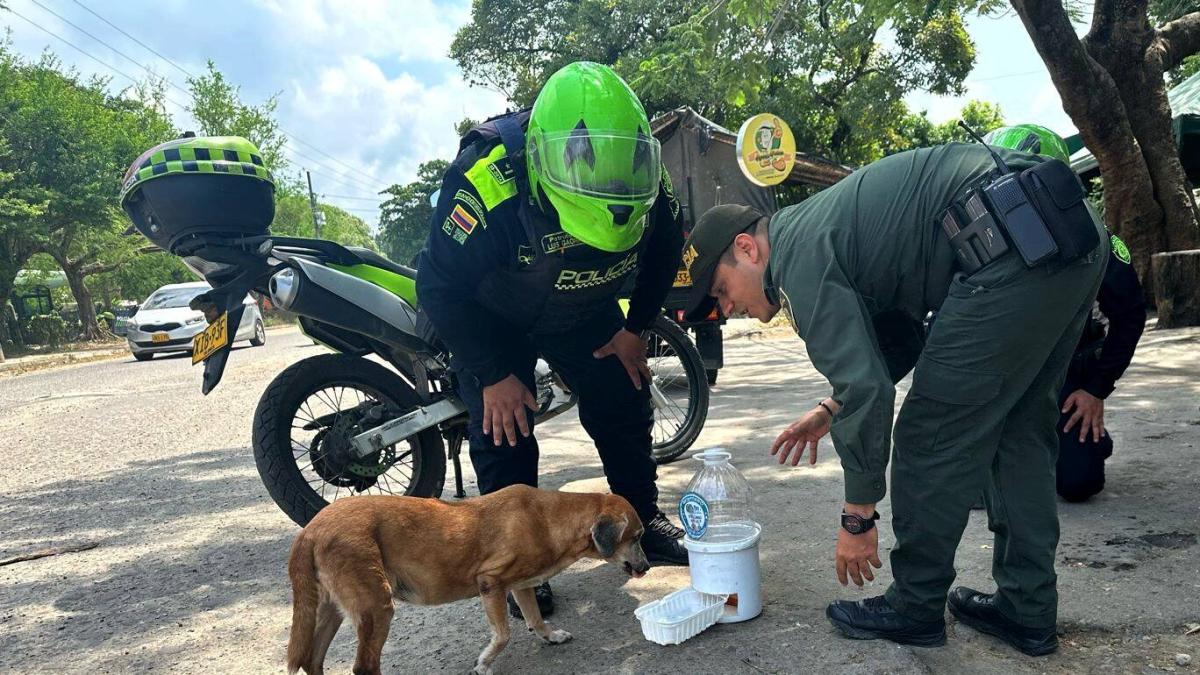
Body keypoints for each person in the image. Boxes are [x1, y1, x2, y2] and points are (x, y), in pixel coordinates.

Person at [681, 141, 1107, 656]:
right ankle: (1027, 610)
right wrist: (829, 410)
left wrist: (858, 516)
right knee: (1019, 435)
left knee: (930, 435)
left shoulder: (794, 257)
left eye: (721, 290)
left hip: (1008, 248)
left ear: (748, 248)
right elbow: (899, 339)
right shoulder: (819, 228)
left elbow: (868, 387)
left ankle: (915, 606)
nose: (726, 309)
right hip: (1060, 232)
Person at [415, 62, 689, 619]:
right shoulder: (487, 177)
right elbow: (439, 286)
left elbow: (664, 254)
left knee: (623, 391)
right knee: (505, 428)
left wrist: (634, 329)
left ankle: (640, 516)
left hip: (583, 310)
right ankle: (516, 562)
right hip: (493, 317)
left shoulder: (647, 177)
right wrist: (492, 373)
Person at [985, 125, 1146, 502]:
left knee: (1077, 485)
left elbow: (1130, 315)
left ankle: (1084, 440)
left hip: (1068, 371)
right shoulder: (979, 235)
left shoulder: (1096, 239)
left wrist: (1096, 389)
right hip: (999, 373)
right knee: (981, 491)